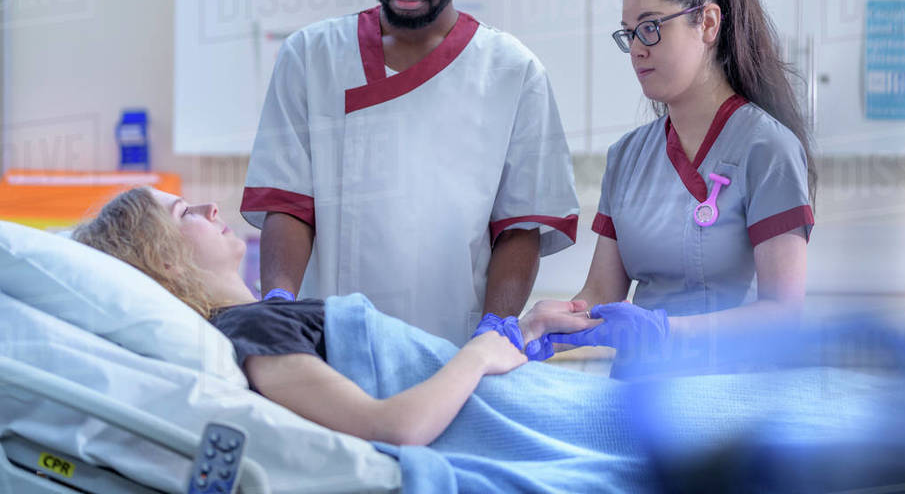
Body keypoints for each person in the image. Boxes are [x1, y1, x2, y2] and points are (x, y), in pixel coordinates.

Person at [241, 0, 579, 345]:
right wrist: (278, 307)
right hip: (331, 347)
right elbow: (289, 204)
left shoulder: (512, 72)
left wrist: (495, 329)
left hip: (455, 352)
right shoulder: (310, 57)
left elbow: (518, 225)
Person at [72, 187, 596, 448]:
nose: (212, 209)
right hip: (512, 423)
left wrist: (523, 331)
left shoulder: (257, 319)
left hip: (514, 401)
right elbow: (393, 427)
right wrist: (480, 353)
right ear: (164, 258)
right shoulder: (249, 331)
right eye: (185, 213)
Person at [547, 0, 816, 376]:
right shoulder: (627, 158)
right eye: (628, 34)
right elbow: (599, 296)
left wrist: (665, 331)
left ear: (707, 23)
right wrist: (536, 329)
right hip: (639, 399)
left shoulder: (767, 149)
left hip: (732, 404)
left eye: (650, 29)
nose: (636, 49)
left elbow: (782, 317)